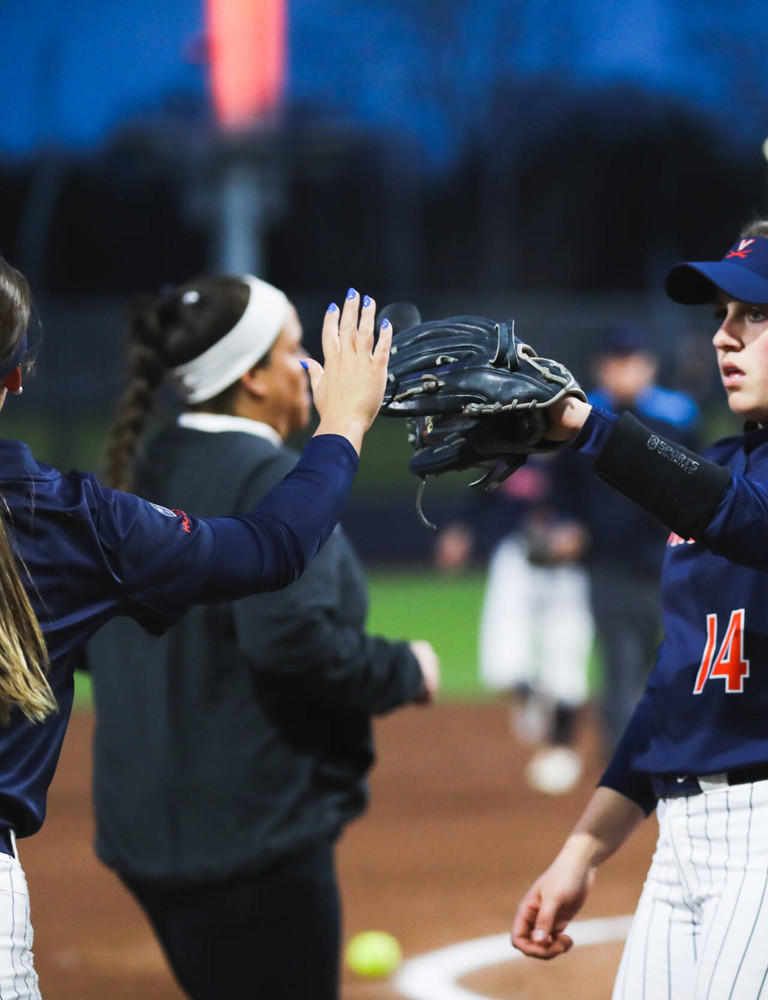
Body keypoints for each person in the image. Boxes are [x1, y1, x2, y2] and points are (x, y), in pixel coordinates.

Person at [511, 218, 768, 1000]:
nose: (725, 338)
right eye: (719, 319)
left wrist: (589, 429)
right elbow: (675, 691)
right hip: (685, 845)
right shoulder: (724, 465)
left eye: (756, 315)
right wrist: (583, 851)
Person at [0, 255, 389, 999]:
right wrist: (344, 422)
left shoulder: (104, 490)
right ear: (17, 376)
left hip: (146, 840)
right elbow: (274, 549)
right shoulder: (58, 516)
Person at [83, 275, 440, 1000]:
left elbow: (94, 643)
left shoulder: (126, 471)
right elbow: (290, 640)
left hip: (143, 834)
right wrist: (406, 668)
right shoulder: (273, 478)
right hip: (251, 836)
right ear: (250, 377)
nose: (308, 364)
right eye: (291, 348)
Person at [553, 326, 699, 759]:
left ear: (649, 366)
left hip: (667, 563)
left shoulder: (678, 419)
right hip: (607, 563)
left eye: (632, 361)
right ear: (601, 368)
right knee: (619, 665)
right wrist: (567, 525)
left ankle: (672, 750)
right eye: (616, 362)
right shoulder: (580, 420)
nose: (624, 371)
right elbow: (564, 492)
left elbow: (702, 481)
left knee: (674, 662)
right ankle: (623, 765)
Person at [434, 457, 592, 795]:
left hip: (567, 568)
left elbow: (597, 504)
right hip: (518, 559)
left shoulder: (582, 449)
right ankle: (532, 697)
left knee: (566, 656)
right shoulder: (510, 447)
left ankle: (562, 746)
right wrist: (461, 530)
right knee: (503, 662)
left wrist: (582, 532)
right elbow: (483, 494)